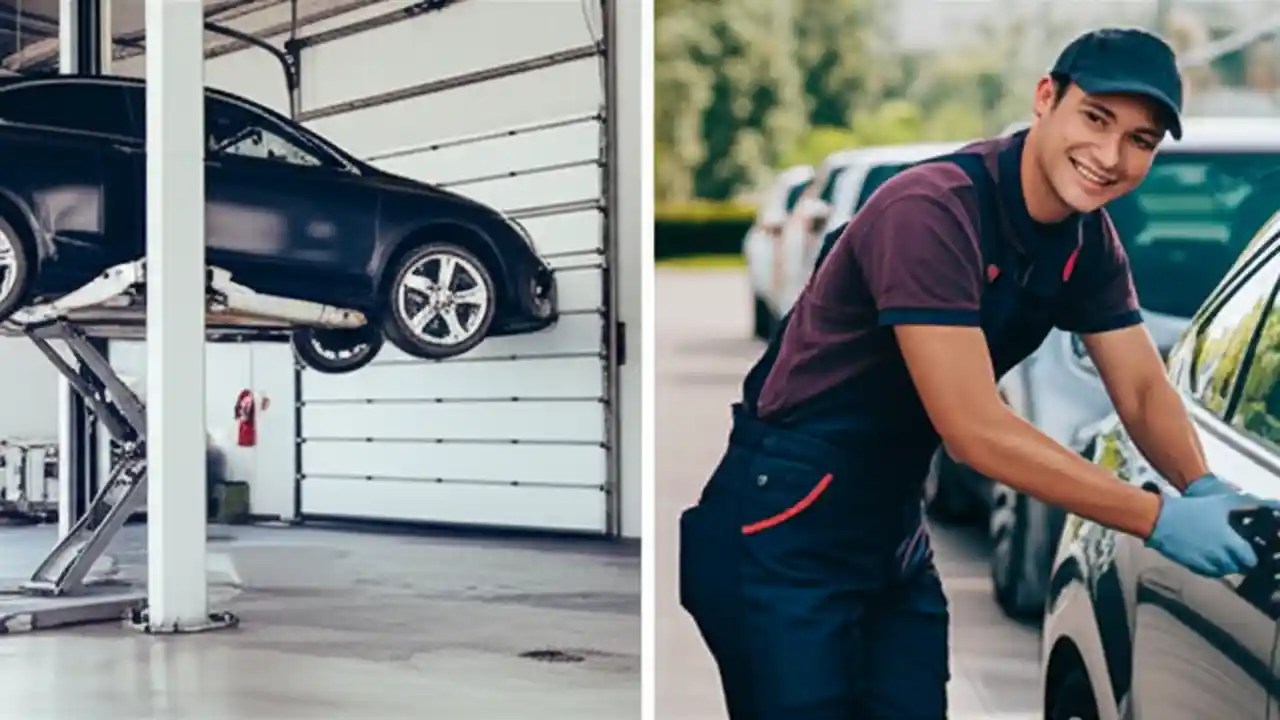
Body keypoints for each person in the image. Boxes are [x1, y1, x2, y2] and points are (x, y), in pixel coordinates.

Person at [677, 27, 1276, 719]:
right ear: (1045, 97)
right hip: (780, 525)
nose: (1110, 157)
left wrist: (1200, 481)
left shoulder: (1086, 242)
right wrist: (1158, 517)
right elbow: (974, 431)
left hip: (889, 533)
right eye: (1096, 118)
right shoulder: (931, 211)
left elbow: (1142, 389)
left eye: (1140, 141)